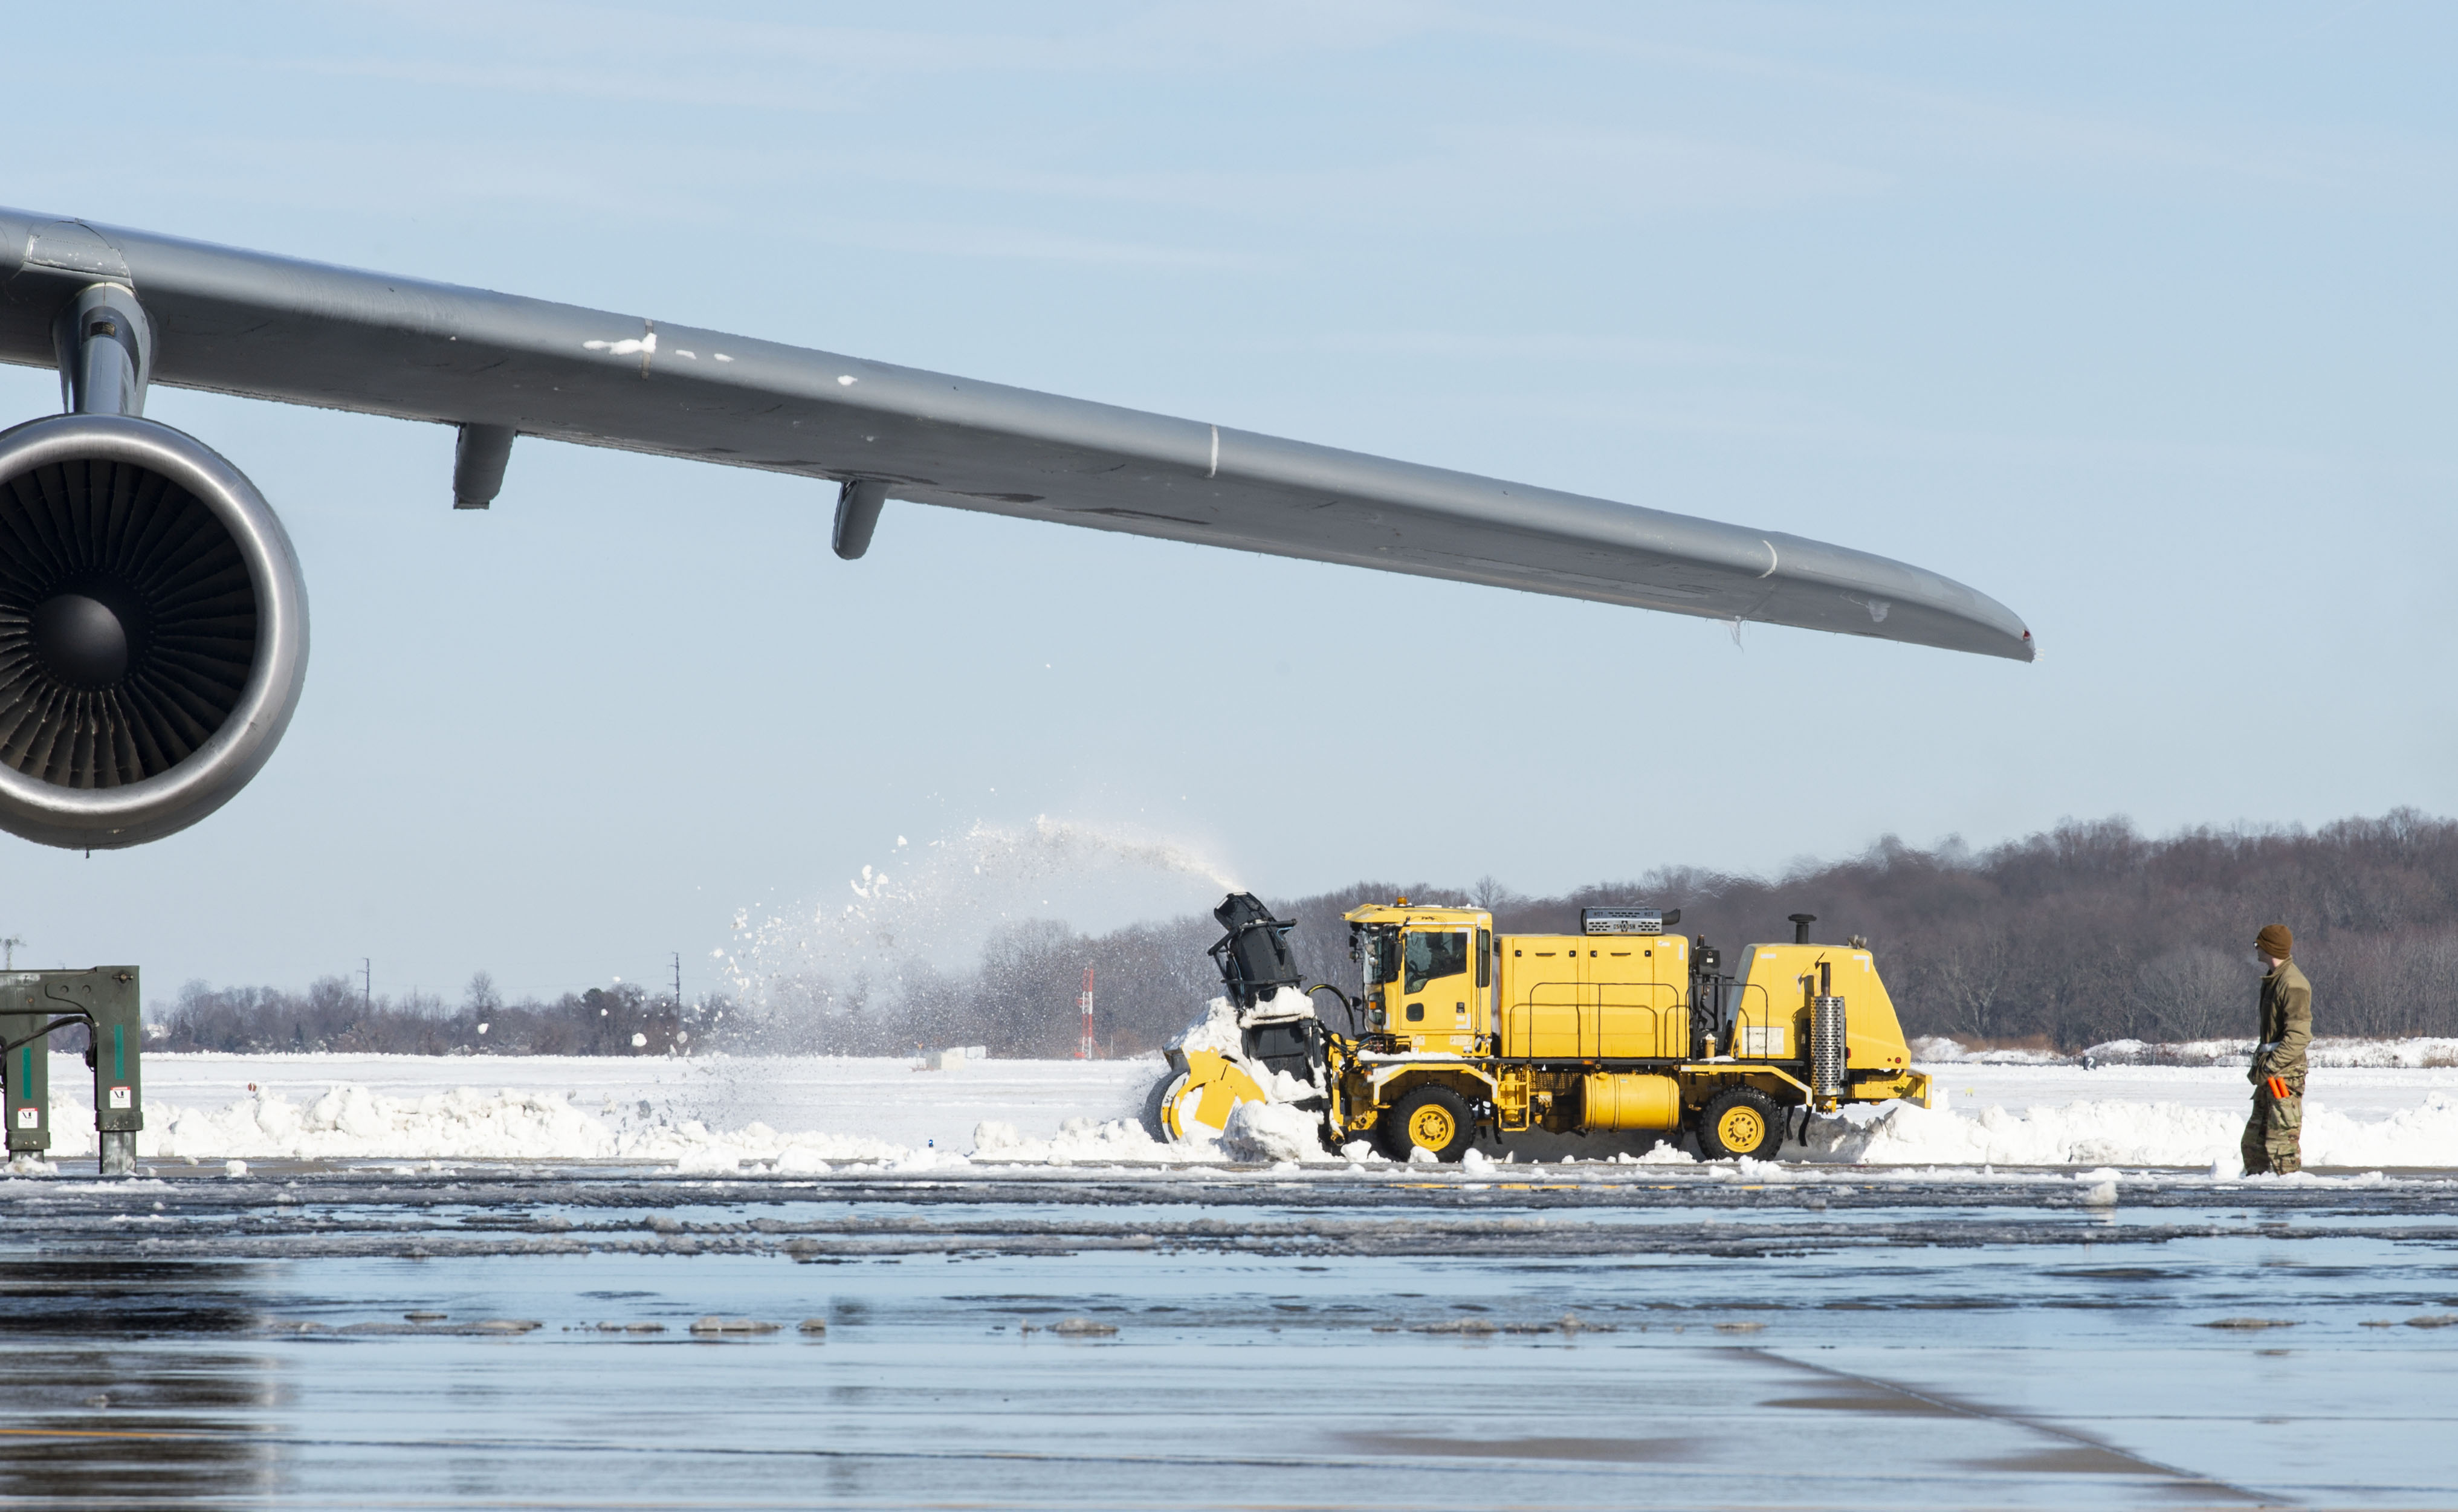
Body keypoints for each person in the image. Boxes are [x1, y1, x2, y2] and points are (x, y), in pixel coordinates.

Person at [2241, 923, 2312, 1175]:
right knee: (2254, 1144)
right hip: (2271, 1073)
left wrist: (2271, 1066)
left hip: (2283, 1075)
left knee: (2282, 1144)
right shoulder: (2275, 980)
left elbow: (2299, 1036)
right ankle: (2258, 1191)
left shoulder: (2293, 984)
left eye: (2259, 944)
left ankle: (2289, 1196)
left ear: (2269, 947)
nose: (2256, 948)